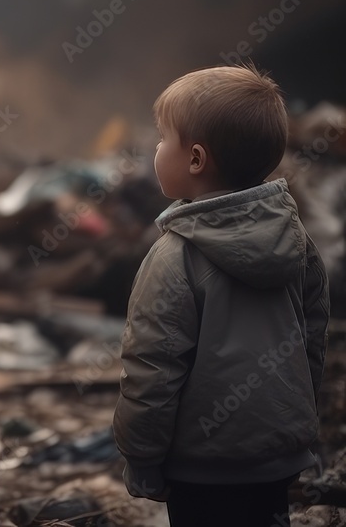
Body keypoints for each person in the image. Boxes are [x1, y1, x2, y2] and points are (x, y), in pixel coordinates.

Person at [113, 65, 330, 527]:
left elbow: (152, 369)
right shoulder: (296, 241)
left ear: (195, 159)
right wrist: (295, 425)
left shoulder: (173, 257)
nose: (154, 148)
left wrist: (142, 459)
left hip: (201, 469)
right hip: (278, 456)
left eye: (161, 138)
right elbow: (312, 339)